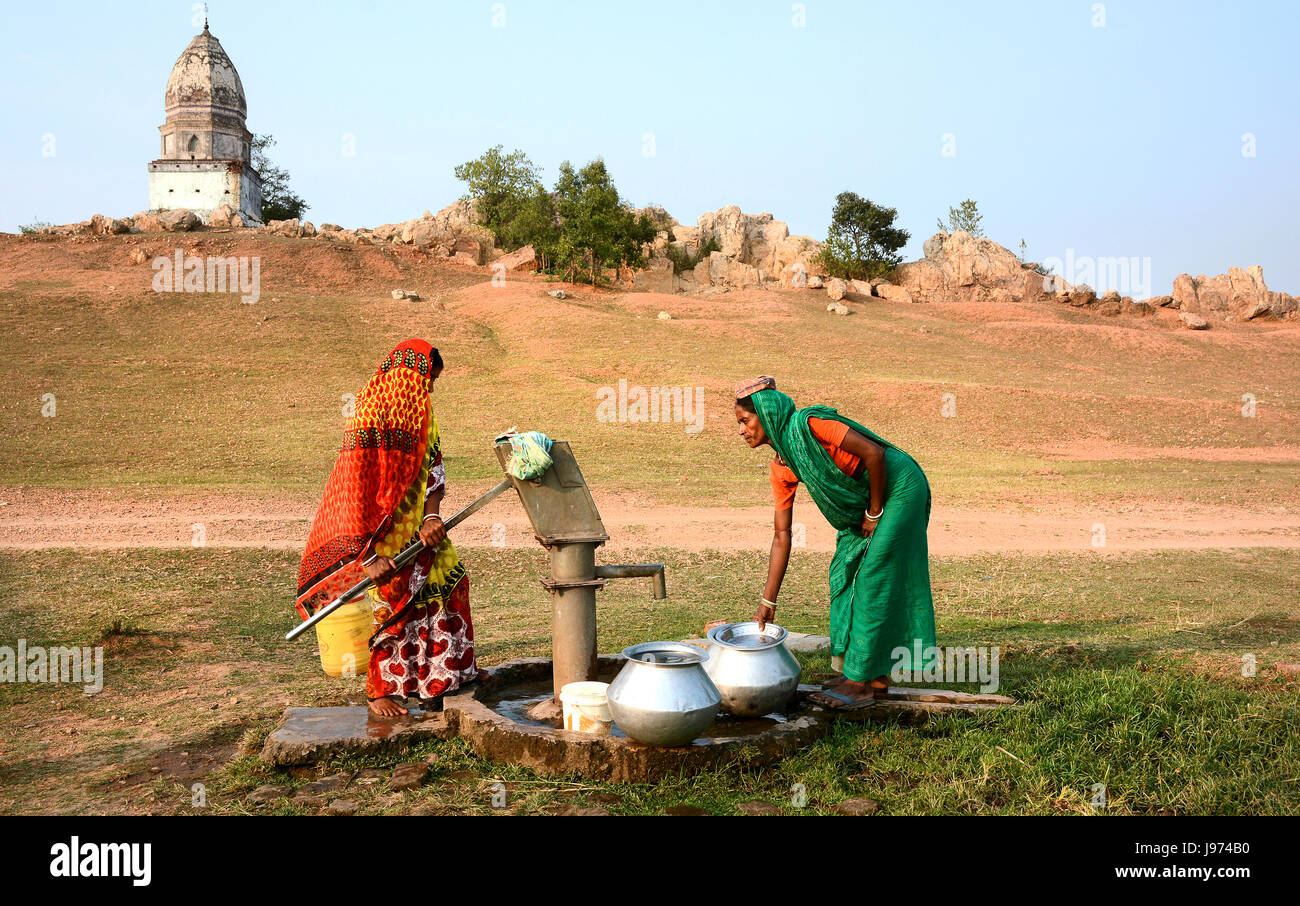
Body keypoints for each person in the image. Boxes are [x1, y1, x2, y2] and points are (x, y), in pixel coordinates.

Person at [296, 339, 480, 716]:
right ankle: (380, 691)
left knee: (450, 585)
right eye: (427, 381)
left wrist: (432, 516)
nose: (429, 390)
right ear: (407, 377)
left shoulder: (425, 418)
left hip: (421, 529)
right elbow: (354, 493)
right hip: (381, 537)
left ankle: (443, 679)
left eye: (433, 384)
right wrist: (367, 558)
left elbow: (435, 468)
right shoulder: (367, 419)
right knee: (393, 608)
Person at [733, 375, 937, 710]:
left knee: (873, 576)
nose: (740, 430)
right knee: (844, 573)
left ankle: (860, 683)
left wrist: (873, 512)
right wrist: (768, 602)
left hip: (899, 486)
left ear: (766, 414)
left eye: (744, 420)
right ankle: (870, 676)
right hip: (869, 501)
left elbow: (873, 453)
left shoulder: (812, 425)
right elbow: (782, 535)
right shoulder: (781, 467)